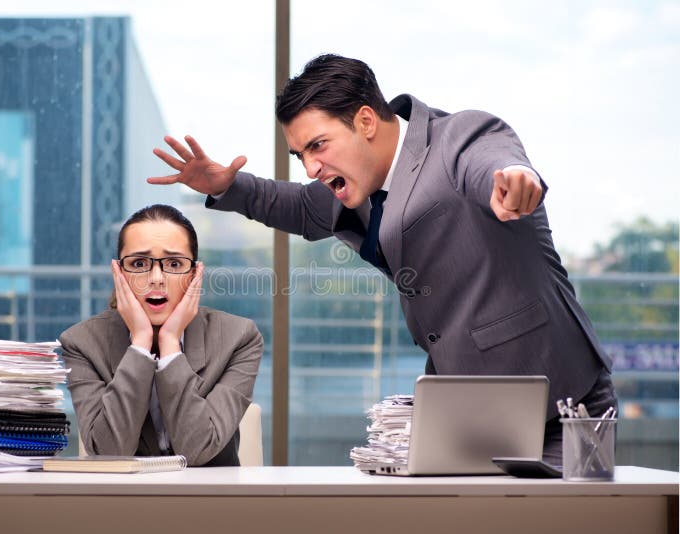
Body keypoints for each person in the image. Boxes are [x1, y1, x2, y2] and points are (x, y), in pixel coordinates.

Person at [148, 54, 617, 465]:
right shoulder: (357, 187)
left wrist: (515, 180)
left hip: (560, 402)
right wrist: (225, 186)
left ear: (367, 121)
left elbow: (494, 163)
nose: (310, 168)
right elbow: (293, 203)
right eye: (300, 155)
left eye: (318, 146)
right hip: (470, 409)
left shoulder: (460, 138)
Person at [60, 204, 263, 466]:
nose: (156, 278)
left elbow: (197, 450)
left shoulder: (239, 339)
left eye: (174, 263)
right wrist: (141, 343)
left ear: (194, 274)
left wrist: (170, 345)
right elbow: (109, 453)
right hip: (123, 502)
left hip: (210, 502)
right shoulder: (82, 343)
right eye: (140, 263)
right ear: (119, 272)